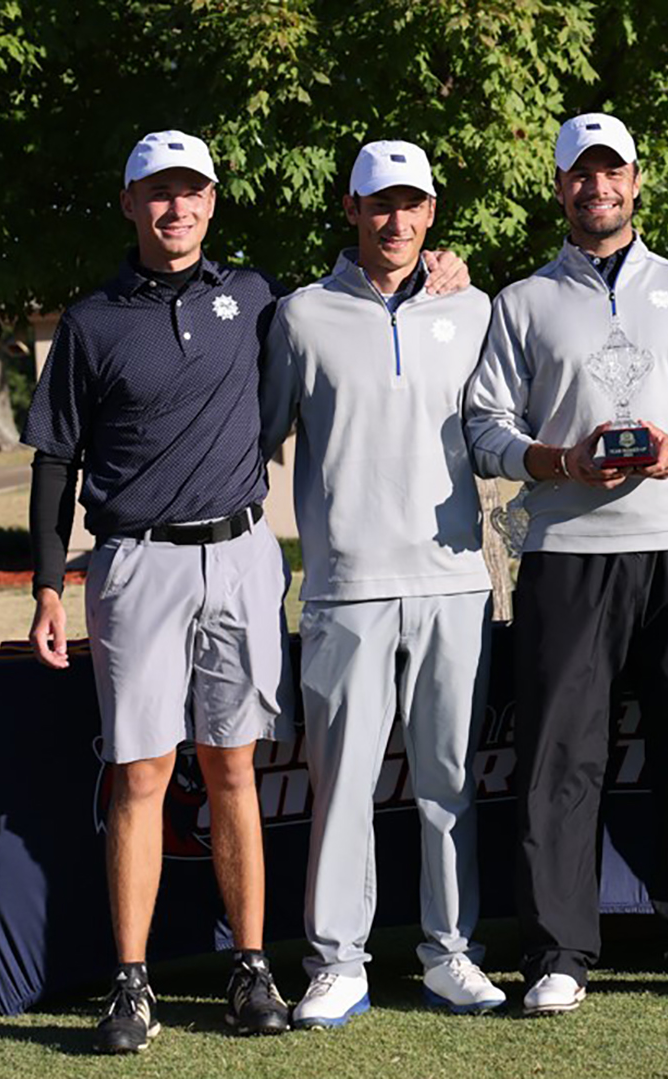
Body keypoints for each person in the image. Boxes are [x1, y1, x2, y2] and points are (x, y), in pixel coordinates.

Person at [464, 112, 668, 1015]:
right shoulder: (520, 302)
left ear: (637, 180)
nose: (598, 187)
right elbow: (485, 429)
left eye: (613, 172)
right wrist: (558, 461)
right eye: (581, 174)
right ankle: (557, 950)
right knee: (561, 753)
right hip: (564, 552)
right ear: (560, 187)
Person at [24, 130, 295, 1051]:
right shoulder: (93, 320)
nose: (177, 209)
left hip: (243, 555)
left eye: (192, 192)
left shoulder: (255, 297)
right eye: (158, 193)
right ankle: (131, 984)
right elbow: (55, 459)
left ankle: (251, 969)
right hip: (136, 562)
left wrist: (444, 274)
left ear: (212, 202)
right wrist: (46, 584)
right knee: (140, 773)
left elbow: (359, 299)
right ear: (131, 203)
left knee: (232, 769)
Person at [258, 140, 505, 1027]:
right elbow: (256, 441)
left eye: (412, 205)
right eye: (379, 204)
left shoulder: (474, 309)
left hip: (451, 585)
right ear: (352, 211)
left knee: (447, 781)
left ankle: (450, 953)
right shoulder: (300, 315)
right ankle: (339, 962)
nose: (396, 220)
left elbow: (495, 432)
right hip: (344, 589)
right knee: (344, 785)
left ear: (431, 213)